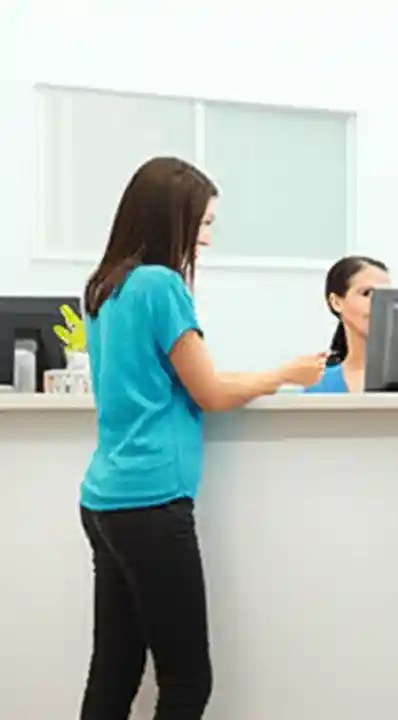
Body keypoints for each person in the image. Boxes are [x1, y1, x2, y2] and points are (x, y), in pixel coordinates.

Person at [79, 156, 328, 719]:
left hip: (104, 500)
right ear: (173, 218)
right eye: (205, 223)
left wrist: (270, 374)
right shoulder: (162, 285)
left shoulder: (106, 286)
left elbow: (196, 382)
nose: (207, 239)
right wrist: (285, 375)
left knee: (114, 674)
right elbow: (212, 394)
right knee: (188, 682)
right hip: (151, 500)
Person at [304, 255, 391, 394]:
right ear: (336, 302)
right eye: (367, 293)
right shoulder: (319, 384)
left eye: (386, 294)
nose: (379, 302)